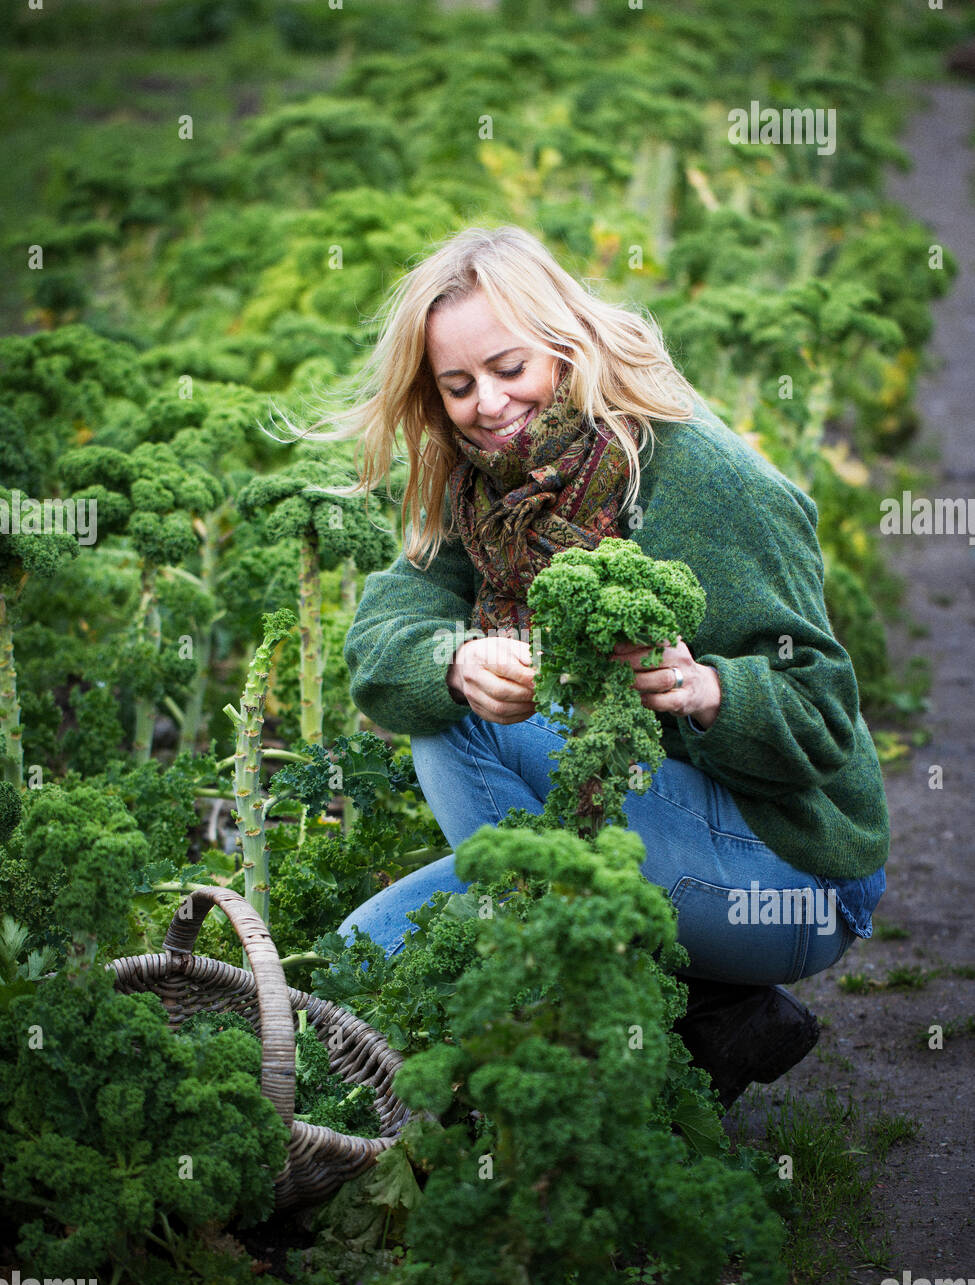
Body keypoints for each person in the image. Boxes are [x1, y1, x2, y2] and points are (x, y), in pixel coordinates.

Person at [287, 224, 889, 1108]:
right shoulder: (493, 490)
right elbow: (385, 636)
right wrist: (454, 659)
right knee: (358, 956)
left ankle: (616, 1043)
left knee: (464, 740)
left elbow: (824, 713)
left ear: (568, 348)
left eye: (508, 369)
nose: (486, 404)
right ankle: (698, 1009)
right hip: (635, 825)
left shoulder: (703, 481)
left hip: (788, 870)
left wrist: (708, 691)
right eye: (457, 386)